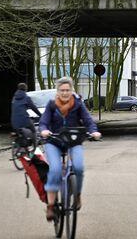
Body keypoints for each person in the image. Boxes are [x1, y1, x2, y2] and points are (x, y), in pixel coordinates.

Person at [38, 77, 101, 221]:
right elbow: (43, 122)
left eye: (67, 90)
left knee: (78, 167)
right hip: (54, 141)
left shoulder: (78, 104)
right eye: (62, 90)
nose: (65, 93)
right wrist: (44, 130)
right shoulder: (51, 105)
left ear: (72, 90)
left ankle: (77, 195)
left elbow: (88, 121)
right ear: (58, 91)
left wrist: (94, 131)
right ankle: (51, 205)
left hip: (73, 141)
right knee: (54, 170)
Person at [11, 82, 41, 151]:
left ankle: (23, 149)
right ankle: (34, 147)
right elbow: (33, 108)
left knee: (21, 133)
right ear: (25, 89)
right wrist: (40, 115)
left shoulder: (14, 98)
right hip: (24, 120)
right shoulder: (26, 98)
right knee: (33, 129)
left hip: (13, 121)